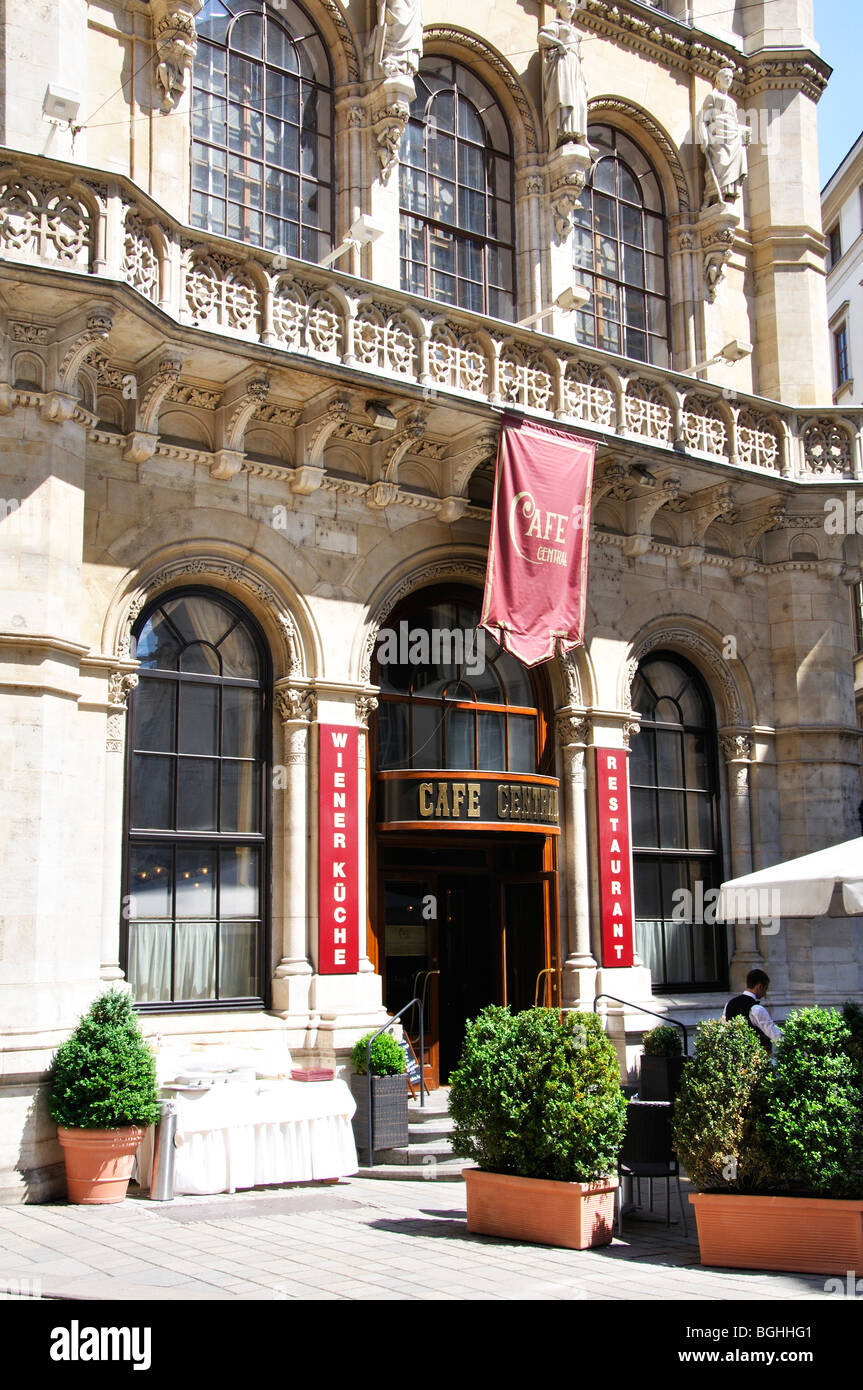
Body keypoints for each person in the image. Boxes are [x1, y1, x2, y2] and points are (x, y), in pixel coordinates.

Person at [539, 0, 589, 151]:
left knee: (579, 101)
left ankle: (578, 135)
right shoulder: (557, 24)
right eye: (567, 4)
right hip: (564, 64)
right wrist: (558, 44)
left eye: (573, 5)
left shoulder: (575, 31)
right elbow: (542, 36)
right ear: (559, 7)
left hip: (575, 67)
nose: (571, 7)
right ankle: (565, 134)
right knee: (566, 98)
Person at [699, 66, 750, 207]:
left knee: (731, 167)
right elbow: (704, 119)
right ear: (718, 79)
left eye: (731, 77)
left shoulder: (733, 102)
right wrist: (704, 137)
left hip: (732, 136)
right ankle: (709, 197)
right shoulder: (712, 96)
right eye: (726, 77)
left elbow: (734, 120)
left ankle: (727, 195)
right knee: (719, 163)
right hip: (718, 135)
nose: (729, 79)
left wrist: (743, 131)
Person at [724, 969, 782, 1053]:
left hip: (736, 1057)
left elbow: (725, 1028)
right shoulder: (757, 1009)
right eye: (765, 989)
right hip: (756, 1058)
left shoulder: (729, 1004)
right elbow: (775, 1034)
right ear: (760, 987)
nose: (765, 993)